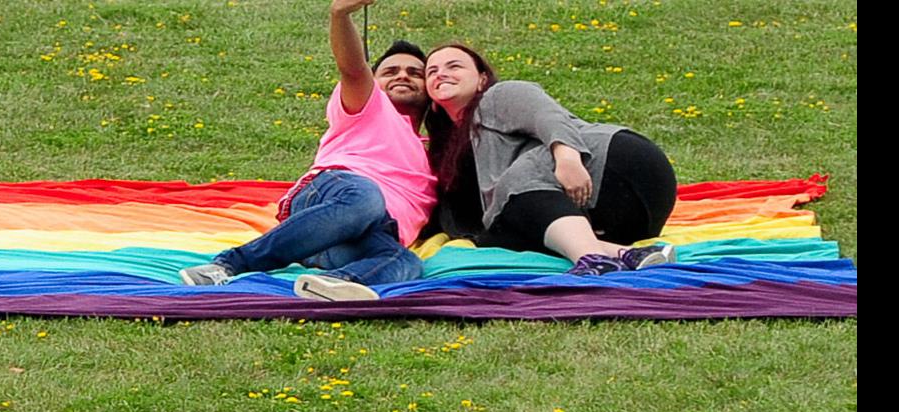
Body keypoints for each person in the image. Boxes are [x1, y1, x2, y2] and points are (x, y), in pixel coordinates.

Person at [179, 0, 437, 301]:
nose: (403, 76)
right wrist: (340, 14)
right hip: (337, 194)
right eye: (390, 71)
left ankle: (332, 284)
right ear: (374, 82)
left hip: (351, 239)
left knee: (406, 262)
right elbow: (353, 70)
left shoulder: (435, 153)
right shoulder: (370, 107)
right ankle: (227, 265)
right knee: (365, 198)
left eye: (415, 73)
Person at [423, 43, 678, 275]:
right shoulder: (450, 151)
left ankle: (592, 259)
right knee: (498, 231)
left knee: (515, 179)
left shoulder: (497, 96)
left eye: (454, 66)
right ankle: (627, 254)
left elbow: (547, 115)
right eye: (431, 72)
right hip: (620, 221)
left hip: (617, 163)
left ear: (482, 80)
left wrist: (567, 156)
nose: (441, 74)